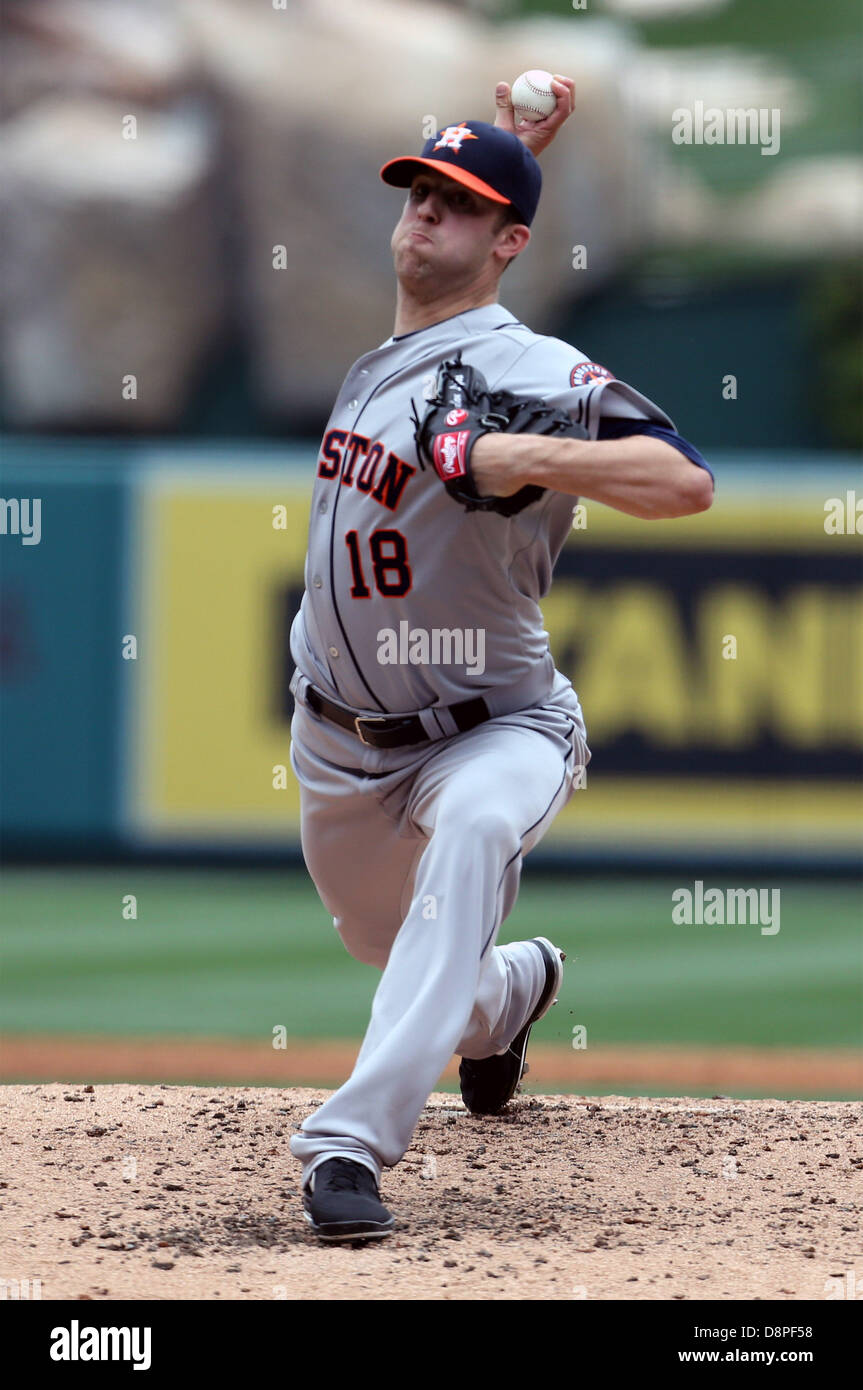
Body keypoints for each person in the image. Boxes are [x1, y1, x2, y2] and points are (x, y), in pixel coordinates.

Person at [287, 77, 714, 1242]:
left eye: (459, 204)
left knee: (473, 836)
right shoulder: (390, 358)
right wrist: (500, 154)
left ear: (509, 244)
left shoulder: (519, 367)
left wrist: (509, 452)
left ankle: (346, 1150)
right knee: (423, 971)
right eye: (420, 189)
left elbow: (682, 480)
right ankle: (515, 990)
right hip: (337, 753)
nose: (426, 210)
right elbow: (467, 227)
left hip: (497, 725)